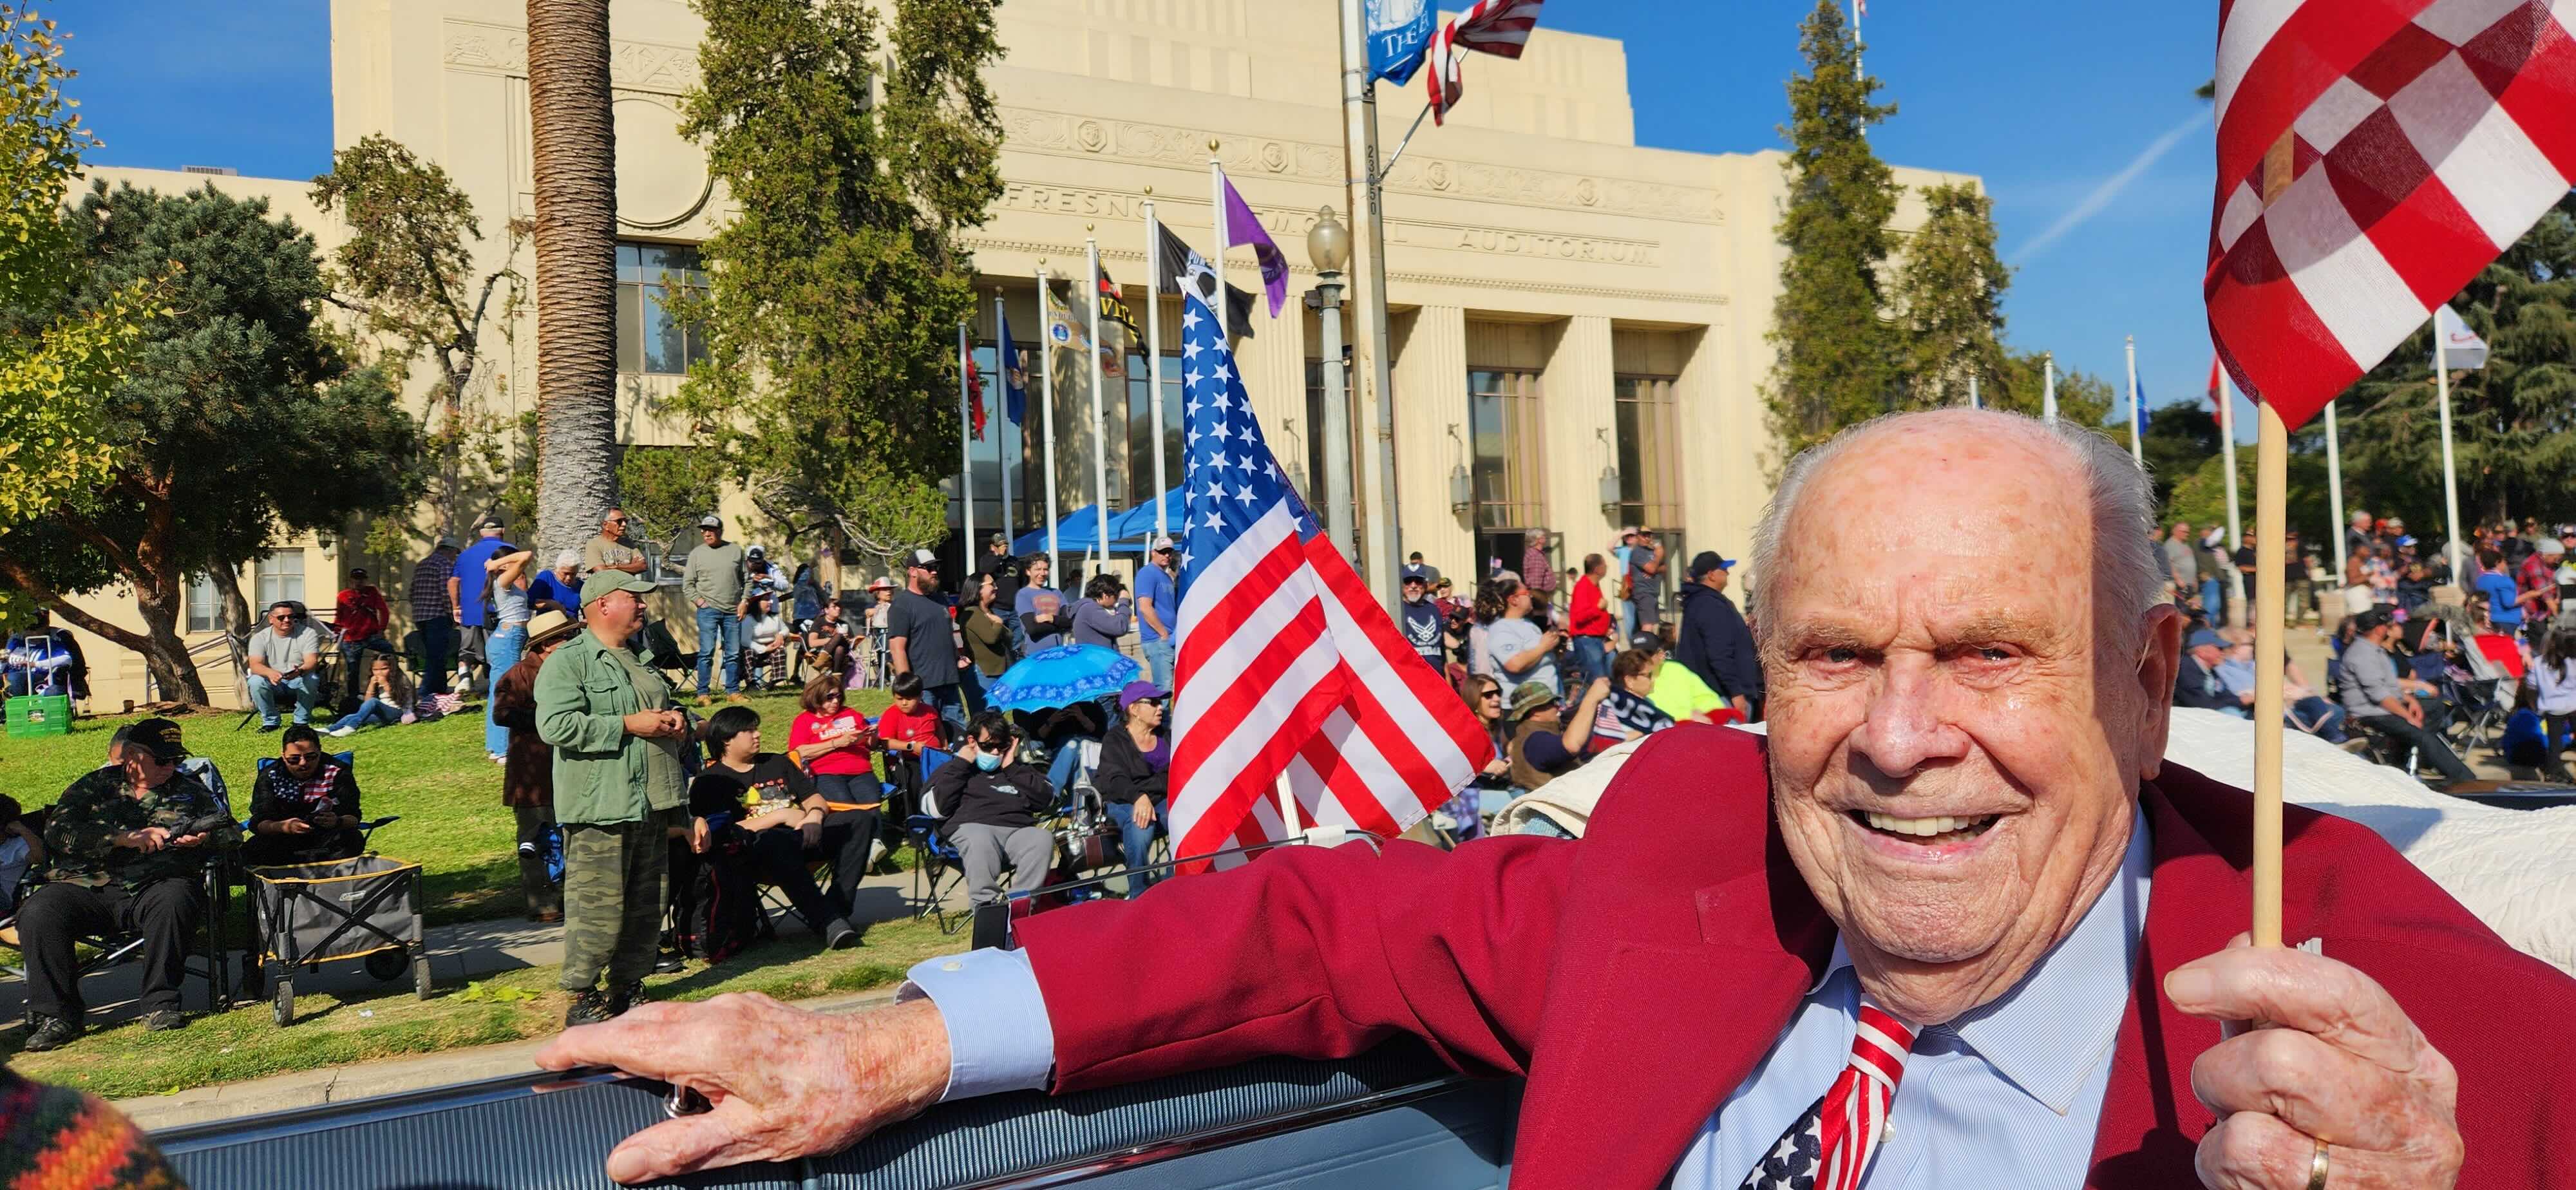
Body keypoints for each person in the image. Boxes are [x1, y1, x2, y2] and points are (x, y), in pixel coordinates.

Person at [542, 408, 2570, 1190]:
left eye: (1987, 654)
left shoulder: (2385, 1041)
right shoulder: (1689, 847)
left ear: (2145, 689)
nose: (1896, 733)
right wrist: (893, 1036)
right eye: (1836, 654)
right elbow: (1320, 924)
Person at [536, 569, 694, 1026]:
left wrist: (678, 719)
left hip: (650, 801)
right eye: (634, 598)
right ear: (603, 605)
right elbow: (557, 727)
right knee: (597, 907)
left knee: (647, 904)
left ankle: (628, 986)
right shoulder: (569, 662)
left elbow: (660, 708)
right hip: (600, 805)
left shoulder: (638, 658)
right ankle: (582, 996)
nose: (644, 605)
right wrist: (627, 725)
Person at [18, 719, 234, 1050]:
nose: (170, 767)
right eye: (162, 760)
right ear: (133, 756)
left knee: (178, 897)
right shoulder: (94, 787)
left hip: (155, 885)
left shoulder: (190, 790)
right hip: (88, 886)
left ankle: (160, 1005)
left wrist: (203, 839)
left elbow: (232, 834)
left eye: (176, 760)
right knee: (39, 910)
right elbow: (58, 833)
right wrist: (122, 838)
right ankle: (57, 1016)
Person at [685, 706, 859, 950]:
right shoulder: (710, 781)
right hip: (755, 853)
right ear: (726, 740)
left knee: (861, 820)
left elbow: (814, 799)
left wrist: (815, 817)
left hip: (803, 835)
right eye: (748, 731)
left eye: (756, 729)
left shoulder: (777, 762)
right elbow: (719, 831)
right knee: (771, 841)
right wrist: (781, 815)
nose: (757, 735)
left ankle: (837, 909)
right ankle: (829, 921)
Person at [494, 609, 578, 921]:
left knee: (570, 838)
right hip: (533, 773)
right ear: (546, 644)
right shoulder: (520, 674)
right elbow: (502, 714)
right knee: (536, 838)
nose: (571, 642)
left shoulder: (569, 669)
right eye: (565, 638)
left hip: (566, 770)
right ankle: (542, 903)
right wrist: (547, 719)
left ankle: (571, 897)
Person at [923, 712, 1055, 907]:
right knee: (980, 838)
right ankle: (987, 908)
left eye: (1001, 746)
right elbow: (934, 809)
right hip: (972, 827)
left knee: (1041, 838)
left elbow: (1049, 800)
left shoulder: (1017, 770)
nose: (995, 752)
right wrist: (962, 765)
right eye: (988, 745)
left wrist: (1011, 767)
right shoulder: (953, 769)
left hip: (1017, 831)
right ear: (972, 741)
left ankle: (1021, 905)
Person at [2336, 607, 2479, 782]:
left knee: (2432, 707)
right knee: (2422, 735)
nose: (2390, 628)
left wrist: (2410, 700)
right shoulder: (2361, 654)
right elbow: (2379, 696)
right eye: (2387, 625)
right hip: (2369, 714)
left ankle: (2409, 760)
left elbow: (2390, 685)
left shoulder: (2375, 650)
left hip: (2382, 709)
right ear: (2379, 629)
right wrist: (2407, 715)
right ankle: (2466, 779)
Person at [788, 674, 888, 886]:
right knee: (849, 808)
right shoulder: (804, 720)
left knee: (871, 804)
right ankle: (863, 851)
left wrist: (871, 737)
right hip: (825, 772)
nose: (835, 701)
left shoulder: (851, 715)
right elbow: (799, 752)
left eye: (838, 697)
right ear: (816, 697)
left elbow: (870, 744)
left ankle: (872, 847)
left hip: (860, 770)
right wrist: (838, 742)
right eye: (829, 697)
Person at [242, 726, 365, 867]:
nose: (303, 764)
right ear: (283, 755)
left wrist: (337, 821)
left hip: (327, 836)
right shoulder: (270, 776)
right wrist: (283, 827)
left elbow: (354, 817)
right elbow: (258, 823)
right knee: (253, 850)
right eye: (294, 759)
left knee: (352, 839)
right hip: (282, 839)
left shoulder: (338, 772)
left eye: (311, 757)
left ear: (320, 751)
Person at [1094, 681, 1169, 897]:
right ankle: (1140, 894)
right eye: (1153, 702)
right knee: (1141, 823)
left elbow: (1174, 774)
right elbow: (1115, 780)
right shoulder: (1114, 739)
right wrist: (1138, 796)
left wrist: (1146, 794)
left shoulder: (1167, 736)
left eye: (1160, 702)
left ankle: (1177, 882)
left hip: (1158, 799)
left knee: (1183, 816)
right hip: (1121, 801)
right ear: (1134, 709)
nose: (1160, 707)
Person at [885, 549, 967, 733]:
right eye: (929, 568)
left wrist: (958, 658)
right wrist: (908, 688)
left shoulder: (940, 600)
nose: (935, 572)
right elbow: (897, 649)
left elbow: (946, 635)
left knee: (960, 737)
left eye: (936, 567)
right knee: (928, 737)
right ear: (913, 571)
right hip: (924, 687)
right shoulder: (902, 605)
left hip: (950, 683)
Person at [1672, 551, 1759, 722]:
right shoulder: (1709, 604)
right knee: (1732, 745)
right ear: (1711, 575)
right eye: (1724, 569)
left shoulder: (1700, 601)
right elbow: (1719, 653)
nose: (1728, 573)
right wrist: (1736, 692)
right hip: (1722, 696)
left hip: (1715, 693)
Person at [680, 515, 749, 702]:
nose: (707, 533)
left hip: (733, 611)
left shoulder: (735, 551)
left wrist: (744, 601)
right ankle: (703, 694)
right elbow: (688, 584)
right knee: (706, 652)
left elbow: (747, 580)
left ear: (720, 531)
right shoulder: (697, 554)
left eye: (711, 530)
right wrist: (700, 602)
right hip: (708, 611)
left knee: (733, 653)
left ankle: (733, 692)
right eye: (704, 530)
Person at [1561, 649, 1675, 756]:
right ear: (1630, 681)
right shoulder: (1610, 706)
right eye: (1648, 675)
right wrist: (1645, 732)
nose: (1653, 680)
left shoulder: (1648, 703)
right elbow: (1605, 743)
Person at [484, 547, 536, 760]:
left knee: (499, 691)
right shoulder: (503, 580)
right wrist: (497, 563)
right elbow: (526, 556)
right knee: (506, 692)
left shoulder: (508, 584)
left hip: (509, 639)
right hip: (508, 640)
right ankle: (501, 749)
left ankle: (495, 746)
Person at [244, 601, 328, 732]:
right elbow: (255, 665)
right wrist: (270, 673)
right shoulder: (259, 638)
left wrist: (300, 671)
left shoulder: (308, 633)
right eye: (281, 617)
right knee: (255, 681)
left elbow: (311, 662)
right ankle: (270, 722)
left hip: (298, 679)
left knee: (312, 678)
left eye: (291, 616)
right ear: (271, 619)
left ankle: (301, 722)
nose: (287, 620)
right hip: (273, 682)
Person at [453, 516, 514, 695]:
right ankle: (499, 686)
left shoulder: (464, 555)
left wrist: (456, 606)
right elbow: (519, 580)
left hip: (469, 612)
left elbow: (453, 581)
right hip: (497, 611)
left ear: (481, 533)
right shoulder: (508, 551)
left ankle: (464, 679)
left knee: (467, 650)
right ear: (502, 531)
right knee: (497, 650)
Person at [874, 673, 946, 819]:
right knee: (916, 781)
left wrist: (944, 747)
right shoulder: (892, 715)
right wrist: (911, 747)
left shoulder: (930, 711)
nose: (904, 703)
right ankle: (919, 818)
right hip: (908, 760)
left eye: (909, 699)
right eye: (899, 699)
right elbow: (885, 742)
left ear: (920, 696)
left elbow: (940, 729)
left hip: (935, 757)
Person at [1480, 578, 1562, 697]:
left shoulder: (1529, 624)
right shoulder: (1500, 629)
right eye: (1527, 594)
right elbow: (1515, 664)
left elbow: (1540, 656)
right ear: (1514, 600)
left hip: (1545, 699)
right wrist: (1543, 646)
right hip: (1524, 707)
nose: (1531, 597)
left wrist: (1555, 645)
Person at [332, 568, 393, 700]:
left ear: (365, 580)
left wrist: (382, 629)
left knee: (390, 653)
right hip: (350, 638)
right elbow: (340, 617)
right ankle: (353, 699)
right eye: (356, 579)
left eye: (361, 579)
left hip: (371, 635)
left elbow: (384, 610)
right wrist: (336, 634)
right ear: (351, 580)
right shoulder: (343, 595)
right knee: (352, 670)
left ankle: (391, 687)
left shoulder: (372, 592)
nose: (358, 582)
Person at [410, 538, 460, 696]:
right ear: (449, 550)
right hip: (437, 616)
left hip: (420, 616)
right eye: (455, 554)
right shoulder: (444, 564)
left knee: (433, 655)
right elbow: (446, 592)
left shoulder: (422, 564)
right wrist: (453, 613)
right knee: (437, 656)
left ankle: (438, 690)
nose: (455, 557)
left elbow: (411, 593)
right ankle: (427, 691)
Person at [958, 572, 1012, 715]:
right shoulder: (972, 613)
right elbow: (991, 637)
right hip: (982, 674)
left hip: (996, 673)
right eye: (992, 584)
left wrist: (996, 622)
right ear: (978, 589)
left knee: (995, 717)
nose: (996, 587)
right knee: (985, 718)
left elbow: (1010, 636)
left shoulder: (988, 612)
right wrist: (998, 622)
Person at [1135, 537, 1180, 689]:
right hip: (1157, 640)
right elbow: (1145, 607)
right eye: (1162, 552)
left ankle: (1164, 713)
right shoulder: (1147, 573)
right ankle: (1159, 713)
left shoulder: (1166, 577)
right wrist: (1163, 633)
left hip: (1168, 638)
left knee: (1168, 686)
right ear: (1153, 552)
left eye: (1169, 552)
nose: (1166, 555)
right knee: (1163, 687)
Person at [2532, 625, 2576, 781]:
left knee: (2554, 743)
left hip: (2551, 708)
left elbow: (2532, 684)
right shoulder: (2572, 661)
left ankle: (2553, 772)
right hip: (2573, 705)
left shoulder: (2538, 662)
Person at [326, 655, 410, 734]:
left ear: (392, 668)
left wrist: (385, 684)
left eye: (384, 669)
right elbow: (367, 702)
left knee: (374, 702)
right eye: (375, 670)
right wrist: (371, 685)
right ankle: (329, 729)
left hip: (398, 713)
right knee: (351, 716)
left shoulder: (401, 678)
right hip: (382, 714)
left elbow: (400, 700)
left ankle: (351, 727)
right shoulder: (375, 680)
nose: (379, 673)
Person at [2172, 628, 2246, 716]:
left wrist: (2243, 700)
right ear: (2201, 652)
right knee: (2232, 713)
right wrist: (2240, 701)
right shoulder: (2185, 669)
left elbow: (2223, 693)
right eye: (2220, 648)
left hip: (2204, 716)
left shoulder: (2210, 671)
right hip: (2185, 721)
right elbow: (2203, 704)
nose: (2224, 653)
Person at [1566, 554, 1613, 690]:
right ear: (1598, 569)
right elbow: (1580, 617)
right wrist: (1598, 608)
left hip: (1595, 639)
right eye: (1604, 564)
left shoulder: (1594, 585)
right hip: (1587, 641)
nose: (1607, 567)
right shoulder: (1583, 587)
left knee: (1592, 684)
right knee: (1597, 684)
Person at [1014, 553, 1071, 654]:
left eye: (1045, 569)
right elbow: (1032, 629)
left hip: (1059, 652)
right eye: (1038, 569)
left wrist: (1051, 618)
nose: (1043, 573)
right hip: (1035, 654)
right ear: (1028, 571)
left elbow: (1069, 621)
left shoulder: (1057, 593)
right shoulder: (1023, 594)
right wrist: (1060, 624)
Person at [1068, 572, 1132, 650]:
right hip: (1098, 660)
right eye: (1115, 597)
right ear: (1106, 596)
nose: (1116, 601)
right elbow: (1120, 627)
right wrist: (1124, 601)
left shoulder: (1089, 608)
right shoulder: (1090, 609)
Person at [582, 507, 648, 578]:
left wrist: (616, 567)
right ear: (605, 525)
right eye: (619, 521)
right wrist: (631, 568)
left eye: (626, 521)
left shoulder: (629, 543)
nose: (624, 524)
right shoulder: (594, 544)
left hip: (629, 586)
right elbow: (602, 573)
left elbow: (643, 566)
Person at [801, 600, 854, 688]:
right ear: (826, 610)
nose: (838, 609)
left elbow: (852, 643)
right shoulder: (819, 622)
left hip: (843, 654)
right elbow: (812, 643)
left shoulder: (844, 624)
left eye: (839, 607)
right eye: (835, 607)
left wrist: (847, 639)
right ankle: (837, 681)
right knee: (839, 645)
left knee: (840, 646)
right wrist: (831, 640)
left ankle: (820, 662)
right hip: (820, 651)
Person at [1399, 572, 1446, 671]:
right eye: (1408, 581)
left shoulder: (1434, 610)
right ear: (1402, 585)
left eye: (1418, 581)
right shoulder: (1397, 611)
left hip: (1438, 678)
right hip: (1412, 677)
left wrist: (1448, 680)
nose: (1413, 586)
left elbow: (1441, 649)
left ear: (1425, 585)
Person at [743, 594, 791, 691]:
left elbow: (786, 629)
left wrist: (781, 635)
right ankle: (751, 684)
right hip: (754, 653)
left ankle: (773, 682)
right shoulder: (749, 619)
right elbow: (745, 640)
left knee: (780, 650)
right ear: (757, 603)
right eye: (766, 600)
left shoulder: (775, 618)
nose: (770, 602)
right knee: (747, 651)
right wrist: (764, 649)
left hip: (771, 652)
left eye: (770, 600)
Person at [1624, 529, 1666, 634]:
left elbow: (1664, 568)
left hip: (1653, 592)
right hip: (1644, 592)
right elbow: (1652, 568)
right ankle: (1646, 649)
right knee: (1648, 625)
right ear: (1638, 536)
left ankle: (1646, 647)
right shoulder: (1637, 552)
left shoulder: (1652, 551)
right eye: (1644, 535)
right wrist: (1659, 556)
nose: (1647, 538)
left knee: (1652, 624)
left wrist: (1654, 568)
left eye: (1649, 535)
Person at [529, 550, 584, 616]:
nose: (569, 578)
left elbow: (588, 613)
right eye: (566, 573)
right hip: (548, 625)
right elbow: (528, 602)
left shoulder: (581, 586)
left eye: (573, 574)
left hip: (572, 625)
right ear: (558, 569)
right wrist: (551, 604)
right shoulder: (547, 578)